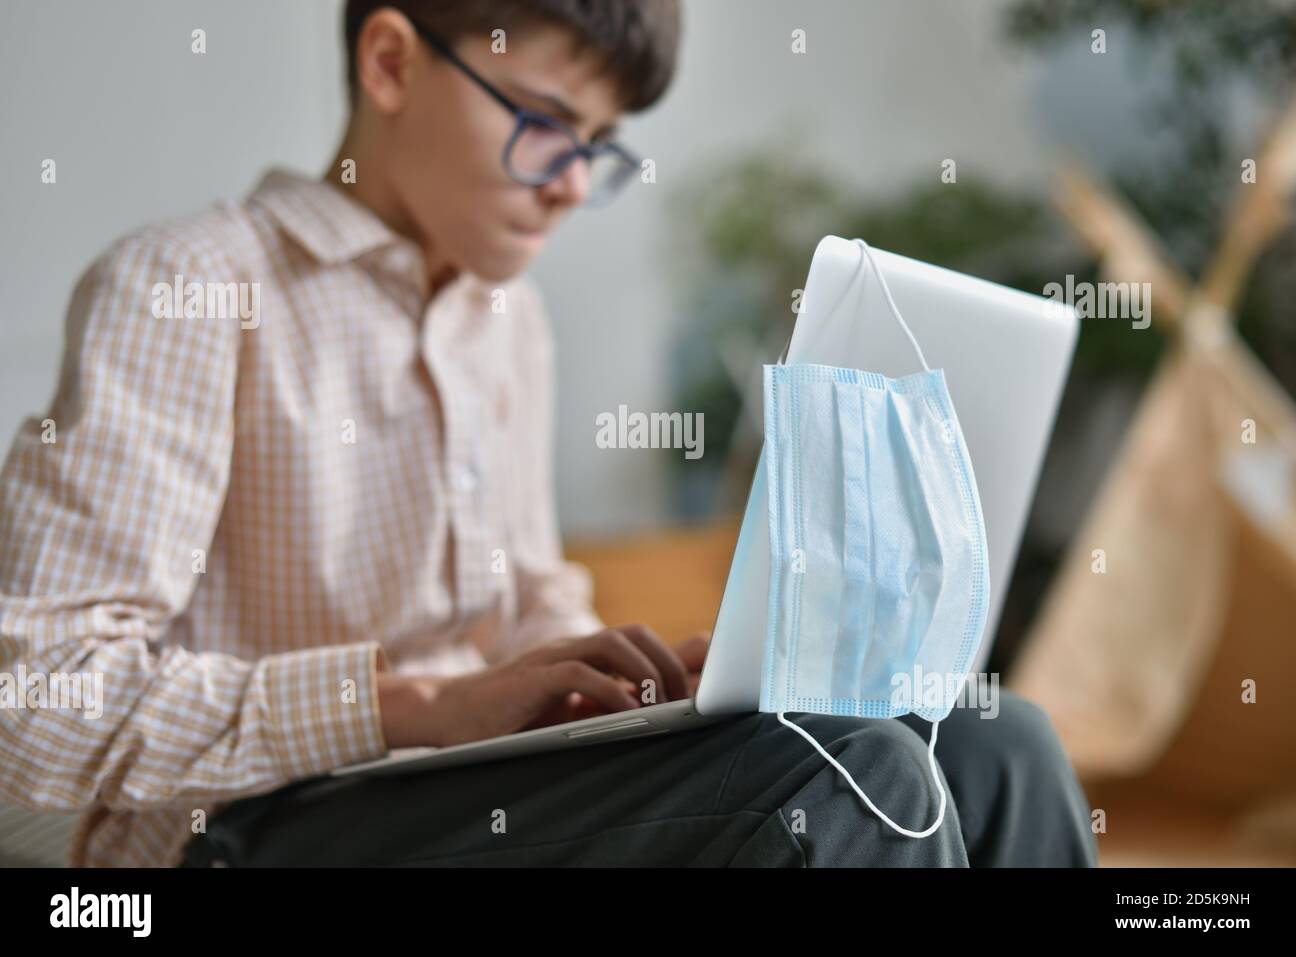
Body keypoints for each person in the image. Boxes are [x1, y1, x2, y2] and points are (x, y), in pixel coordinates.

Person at [0, 0, 1097, 868]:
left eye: (600, 145)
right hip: (248, 829)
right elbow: (35, 699)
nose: (571, 184)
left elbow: (529, 598)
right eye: (541, 124)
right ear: (390, 64)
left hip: (458, 797)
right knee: (863, 774)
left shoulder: (504, 318)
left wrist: (635, 690)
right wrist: (418, 705)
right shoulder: (189, 288)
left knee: (995, 742)